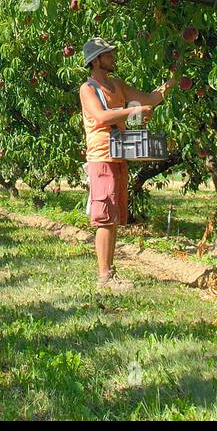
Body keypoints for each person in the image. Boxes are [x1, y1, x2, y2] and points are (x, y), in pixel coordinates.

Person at [78, 37, 174, 292]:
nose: (113, 58)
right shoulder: (88, 88)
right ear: (96, 60)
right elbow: (101, 116)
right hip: (101, 156)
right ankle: (104, 277)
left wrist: (174, 78)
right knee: (105, 217)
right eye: (108, 55)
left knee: (114, 216)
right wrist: (134, 111)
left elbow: (150, 99)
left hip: (119, 153)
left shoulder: (117, 85)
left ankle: (110, 273)